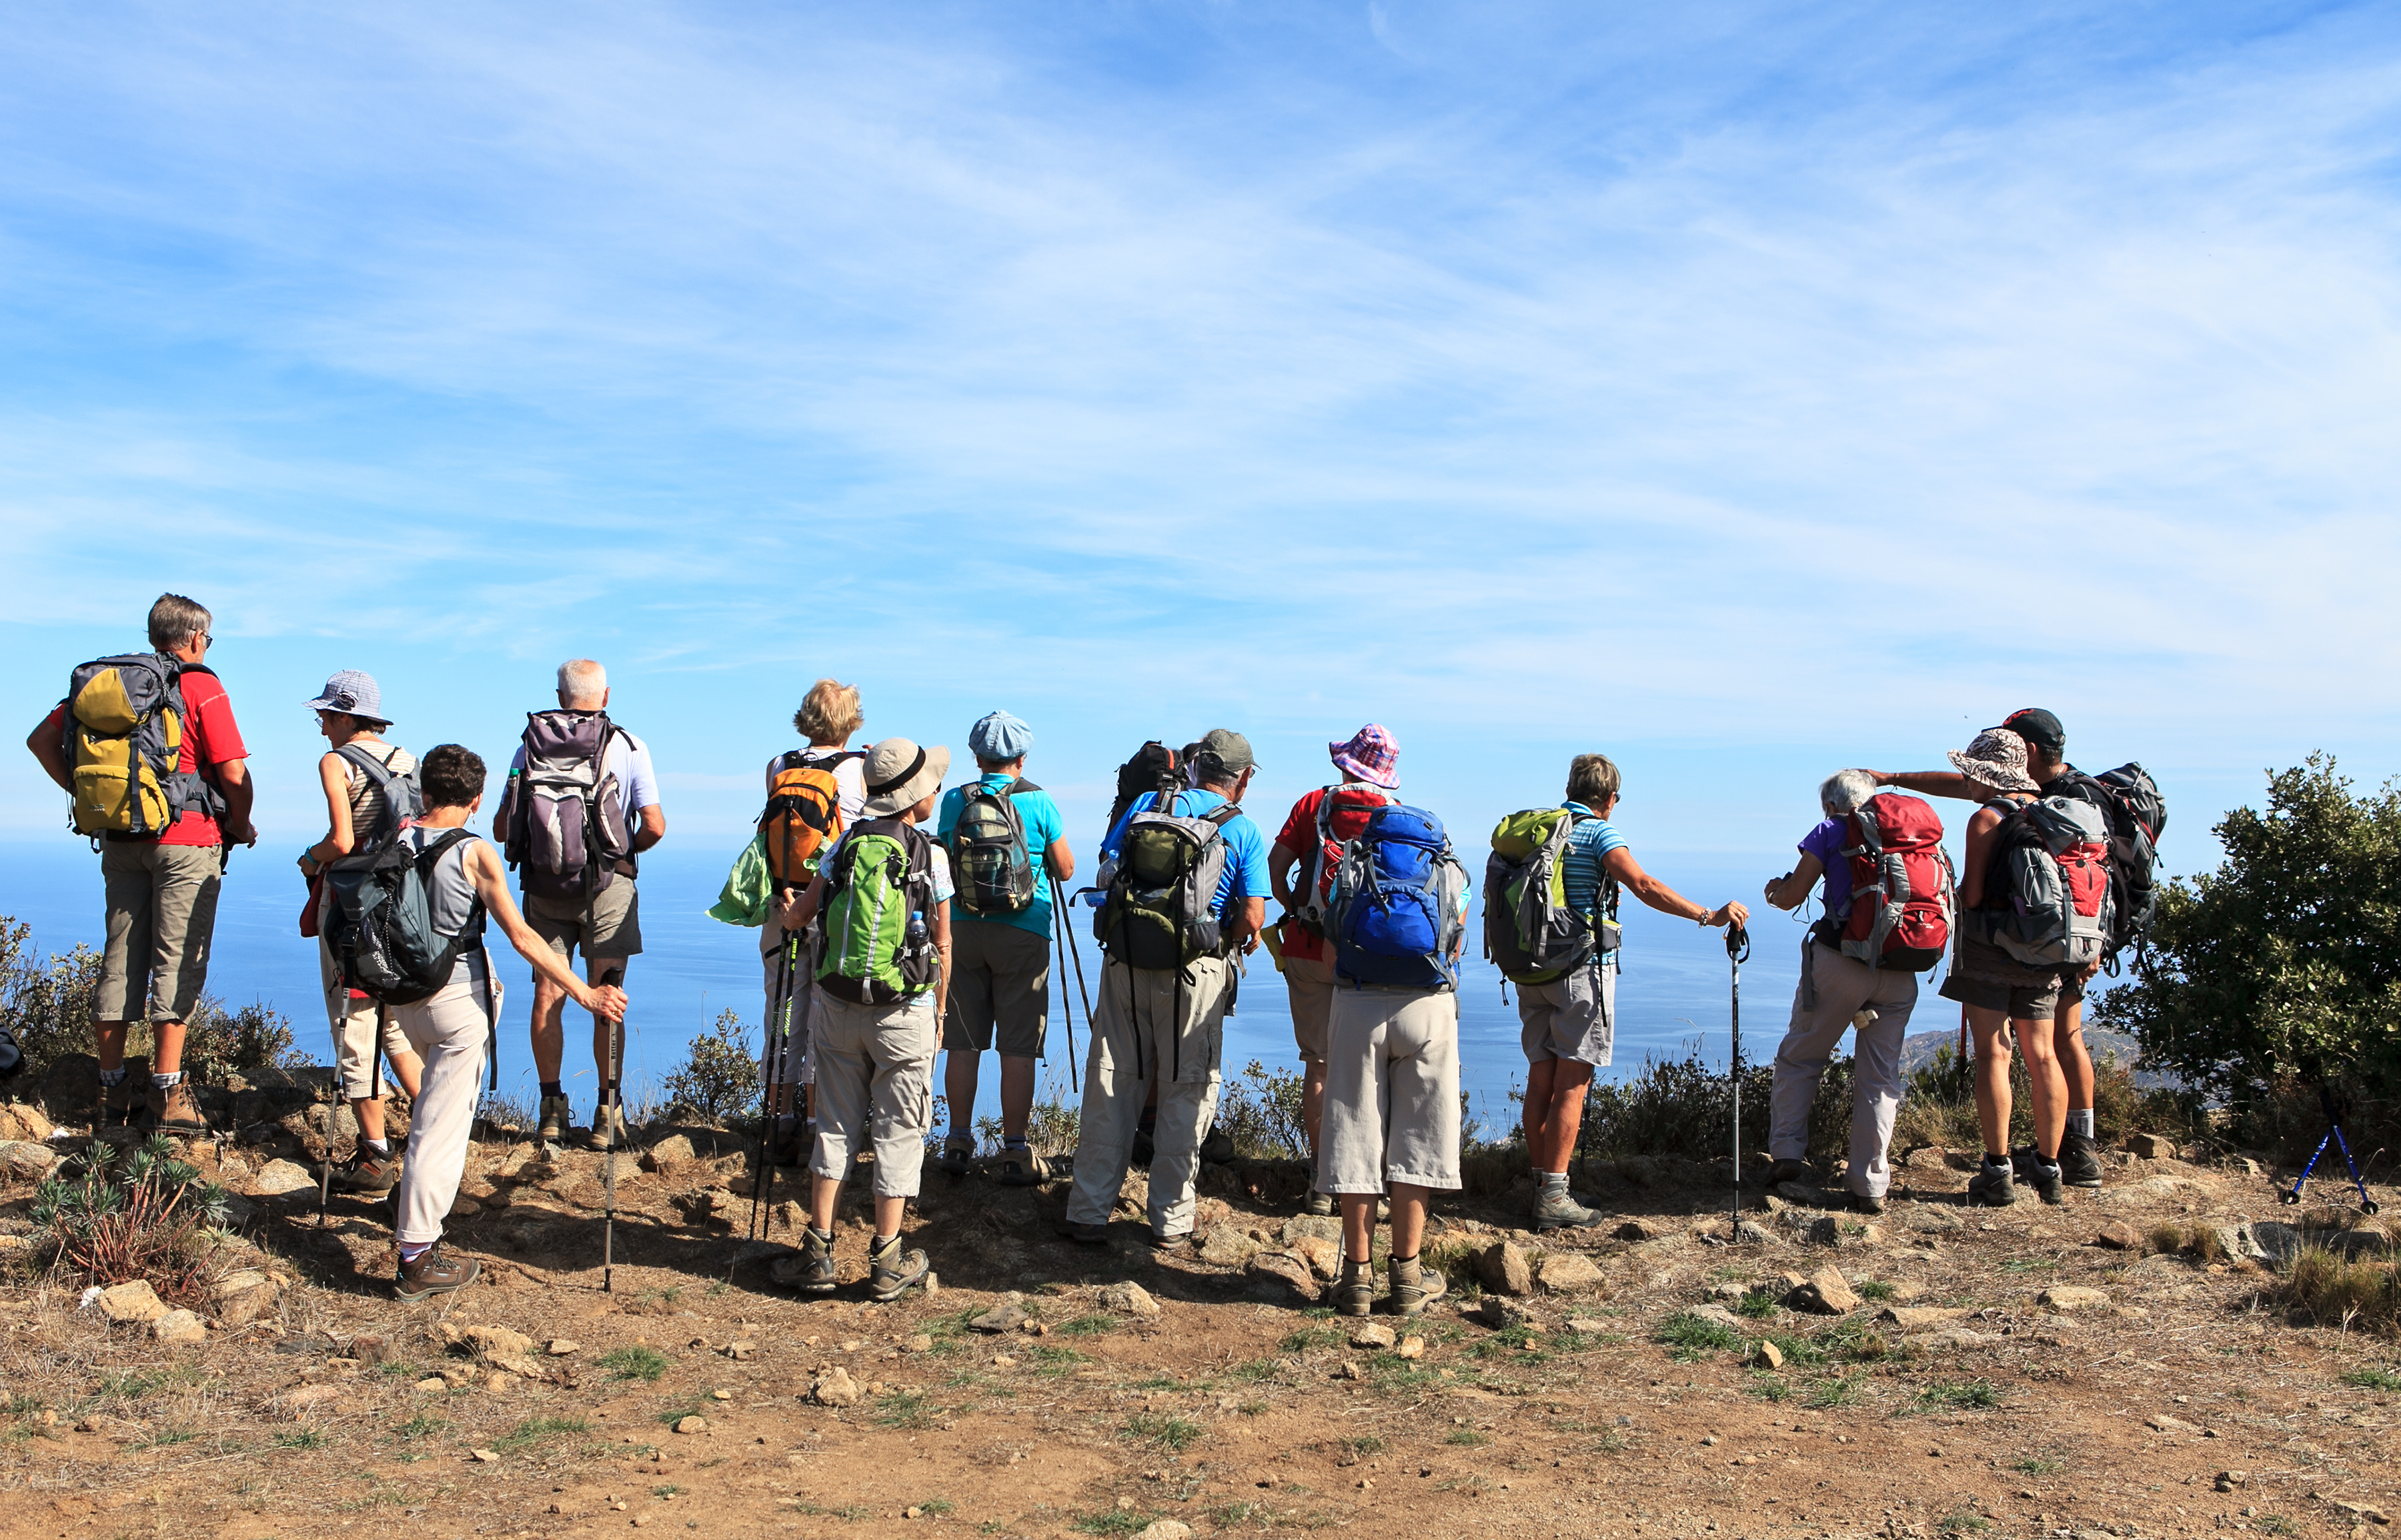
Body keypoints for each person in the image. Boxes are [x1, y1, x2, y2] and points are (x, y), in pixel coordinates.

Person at [385, 744, 627, 1301]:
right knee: (438, 1130)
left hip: (404, 998)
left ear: (425, 791)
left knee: (429, 1118)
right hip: (456, 1003)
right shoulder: (474, 852)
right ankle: (417, 1257)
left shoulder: (396, 838)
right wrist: (585, 993)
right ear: (474, 800)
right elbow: (523, 938)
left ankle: (415, 1230)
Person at [23, 594, 256, 1134]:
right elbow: (235, 774)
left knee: (120, 959)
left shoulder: (112, 683)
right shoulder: (199, 684)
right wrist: (240, 825)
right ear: (196, 638)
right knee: (176, 962)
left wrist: (95, 799)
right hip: (188, 840)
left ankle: (112, 1096)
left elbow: (40, 741)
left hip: (121, 838)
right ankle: (168, 1096)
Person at [1871, 707, 2106, 1189]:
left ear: (1988, 775)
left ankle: (1997, 1169)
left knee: (1993, 1054)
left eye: (1972, 775)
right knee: (2043, 1056)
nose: (1968, 784)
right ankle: (2049, 1165)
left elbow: (1974, 896)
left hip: (1990, 953)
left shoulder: (1986, 818)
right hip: (2045, 952)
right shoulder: (2052, 814)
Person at [1518, 753, 1749, 1231]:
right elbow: (1643, 884)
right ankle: (1555, 1197)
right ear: (1610, 798)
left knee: (1541, 1078)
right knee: (1572, 1083)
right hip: (1581, 971)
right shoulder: (1600, 832)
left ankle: (1542, 1184)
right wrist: (1707, 915)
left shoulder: (1543, 830)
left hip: (1533, 969)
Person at [1060, 729, 1269, 1254]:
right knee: (1186, 1088)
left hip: (1125, 962)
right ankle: (1170, 1221)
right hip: (1195, 974)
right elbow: (1251, 916)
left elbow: (1108, 870)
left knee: (1113, 1081)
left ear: (1197, 769)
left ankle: (1087, 1211)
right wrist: (1229, 937)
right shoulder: (1241, 828)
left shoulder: (1145, 805)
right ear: (1241, 780)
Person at [770, 737, 954, 1301]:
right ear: (913, 798)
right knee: (899, 1130)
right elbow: (943, 945)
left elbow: (800, 917)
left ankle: (819, 1252)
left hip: (838, 1006)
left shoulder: (843, 846)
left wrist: (784, 907)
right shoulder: (932, 855)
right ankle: (888, 1259)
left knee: (834, 1125)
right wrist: (940, 1012)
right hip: (905, 1013)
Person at [500, 659, 665, 1152]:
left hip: (546, 885)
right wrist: (620, 857)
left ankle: (551, 1110)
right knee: (606, 998)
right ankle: (607, 1112)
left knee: (548, 995)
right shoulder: (630, 746)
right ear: (606, 695)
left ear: (558, 693)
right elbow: (654, 824)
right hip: (608, 889)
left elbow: (503, 826)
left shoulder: (530, 742)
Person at [1317, 802, 1471, 1317]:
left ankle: (1356, 1281)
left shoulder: (1353, 862)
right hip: (1428, 1007)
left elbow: (1332, 934)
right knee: (1419, 1136)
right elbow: (1455, 940)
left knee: (1355, 1133)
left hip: (1358, 1003)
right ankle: (1407, 1275)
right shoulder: (1448, 870)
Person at [1759, 769, 1918, 1215]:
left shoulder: (1830, 828)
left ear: (1831, 805)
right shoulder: (1906, 830)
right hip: (1901, 966)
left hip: (1842, 961)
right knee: (1880, 1076)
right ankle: (1870, 1184)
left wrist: (1775, 893)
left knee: (1801, 1055)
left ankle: (1788, 1154)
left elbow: (1793, 895)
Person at [296, 671, 426, 1193]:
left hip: (352, 908)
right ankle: (434, 1126)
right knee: (394, 1023)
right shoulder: (411, 761)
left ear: (347, 716)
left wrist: (310, 858)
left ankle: (374, 1156)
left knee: (354, 1025)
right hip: (404, 905)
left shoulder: (336, 761)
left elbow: (341, 839)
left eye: (326, 716)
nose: (322, 727)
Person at [934, 710, 1074, 1185]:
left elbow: (941, 854)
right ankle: (1015, 1149)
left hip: (963, 928)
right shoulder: (1039, 801)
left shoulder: (955, 799)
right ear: (1022, 757)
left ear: (978, 757)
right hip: (1024, 931)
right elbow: (1067, 867)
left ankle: (957, 1140)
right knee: (1017, 1044)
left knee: (963, 1040)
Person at [1267, 724, 1401, 1215]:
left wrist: (1298, 911)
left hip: (1306, 948)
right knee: (1369, 1072)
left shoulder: (1311, 805)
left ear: (1345, 763)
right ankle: (1366, 1186)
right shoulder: (1395, 815)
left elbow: (1275, 869)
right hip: (1367, 956)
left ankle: (1323, 1183)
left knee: (1320, 1065)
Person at [759, 679, 868, 1167]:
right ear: (851, 719)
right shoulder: (860, 771)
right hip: (832, 908)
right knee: (827, 1017)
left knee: (784, 1012)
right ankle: (815, 1124)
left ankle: (776, 1119)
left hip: (782, 904)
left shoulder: (779, 766)